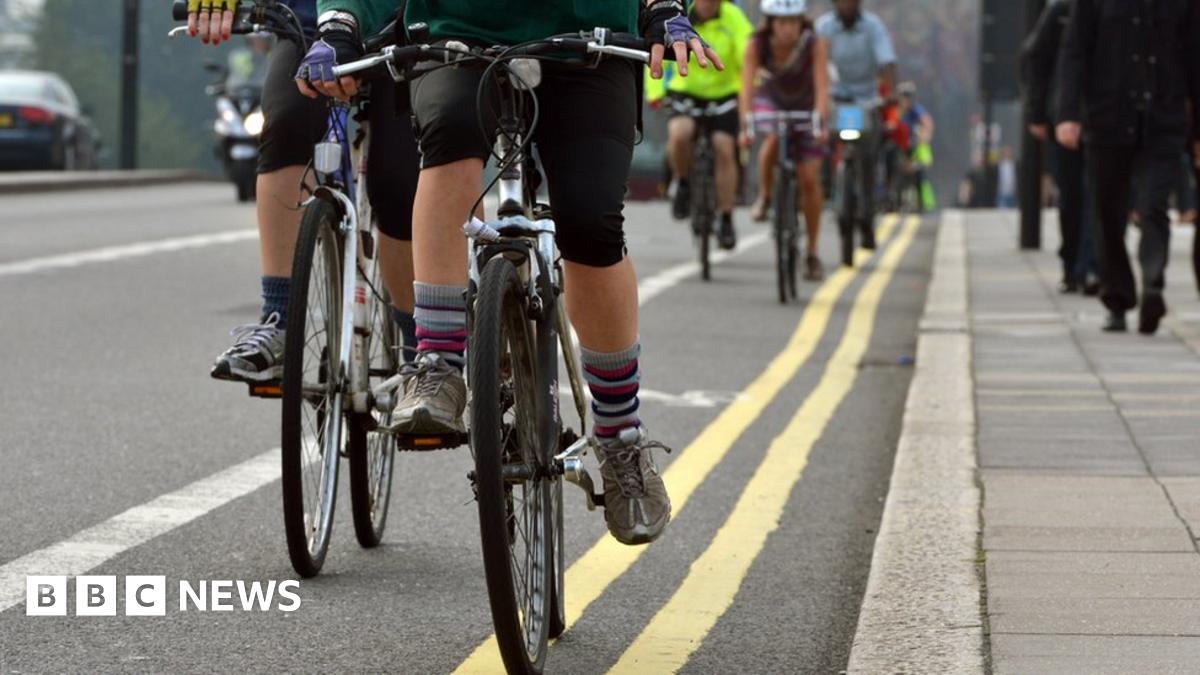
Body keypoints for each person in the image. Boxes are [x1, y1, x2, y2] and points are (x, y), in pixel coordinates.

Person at [298, 0, 721, 546]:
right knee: (448, 143)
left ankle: (620, 438)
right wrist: (342, 23)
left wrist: (663, 9)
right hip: (458, 34)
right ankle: (438, 363)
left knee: (591, 224)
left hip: (589, 39)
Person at [185, 0, 421, 384]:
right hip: (310, 27)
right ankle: (278, 320)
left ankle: (420, 350)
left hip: (406, 25)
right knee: (285, 125)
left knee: (399, 178)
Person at [1057, 0, 1200, 334]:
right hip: (1108, 118)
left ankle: (1153, 285)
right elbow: (1075, 52)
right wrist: (1068, 113)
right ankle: (1118, 299)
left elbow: (1196, 59)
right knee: (1108, 215)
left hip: (1163, 120)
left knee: (1153, 206)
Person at [646, 0, 753, 251]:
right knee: (679, 133)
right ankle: (682, 182)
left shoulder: (734, 18)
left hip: (724, 94)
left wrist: (749, 89)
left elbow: (747, 57)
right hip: (686, 91)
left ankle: (726, 217)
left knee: (724, 146)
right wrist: (655, 92)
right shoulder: (679, 12)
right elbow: (656, 52)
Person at [739, 0, 829, 281]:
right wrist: (745, 125)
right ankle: (766, 196)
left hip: (805, 102)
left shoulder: (814, 44)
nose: (787, 29)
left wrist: (821, 121)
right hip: (772, 100)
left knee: (809, 178)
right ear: (771, 22)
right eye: (781, 22)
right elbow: (746, 89)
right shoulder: (756, 44)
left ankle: (812, 251)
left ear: (801, 21)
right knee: (775, 138)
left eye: (793, 22)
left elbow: (822, 86)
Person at [1023, 0, 1098, 295]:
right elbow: (1035, 60)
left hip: (1104, 118)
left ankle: (1092, 267)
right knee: (1071, 196)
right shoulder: (1061, 11)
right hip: (1064, 118)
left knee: (1098, 196)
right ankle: (1071, 265)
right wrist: (1037, 114)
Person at [815, 0, 897, 249]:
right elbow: (814, 63)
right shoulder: (824, 27)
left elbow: (887, 63)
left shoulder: (873, 27)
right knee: (821, 141)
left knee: (869, 157)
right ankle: (826, 184)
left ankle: (868, 215)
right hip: (836, 99)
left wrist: (889, 93)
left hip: (867, 100)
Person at [897, 81, 935, 212]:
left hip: (913, 148)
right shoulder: (896, 110)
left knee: (919, 173)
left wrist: (925, 135)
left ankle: (923, 202)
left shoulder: (916, 110)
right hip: (899, 148)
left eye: (908, 96)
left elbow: (927, 122)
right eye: (903, 96)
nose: (906, 100)